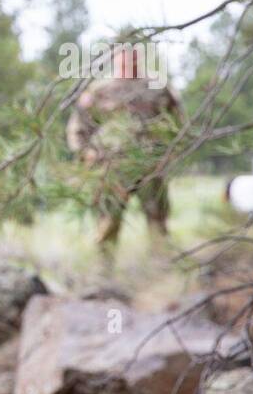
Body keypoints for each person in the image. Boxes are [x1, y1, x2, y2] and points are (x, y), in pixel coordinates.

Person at [66, 43, 182, 253]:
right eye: (125, 57)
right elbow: (78, 126)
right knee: (108, 222)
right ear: (116, 60)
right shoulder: (101, 89)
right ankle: (104, 273)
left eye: (134, 57)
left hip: (150, 166)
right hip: (112, 169)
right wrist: (86, 152)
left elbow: (178, 121)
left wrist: (170, 150)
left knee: (158, 222)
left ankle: (162, 268)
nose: (130, 61)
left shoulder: (156, 85)